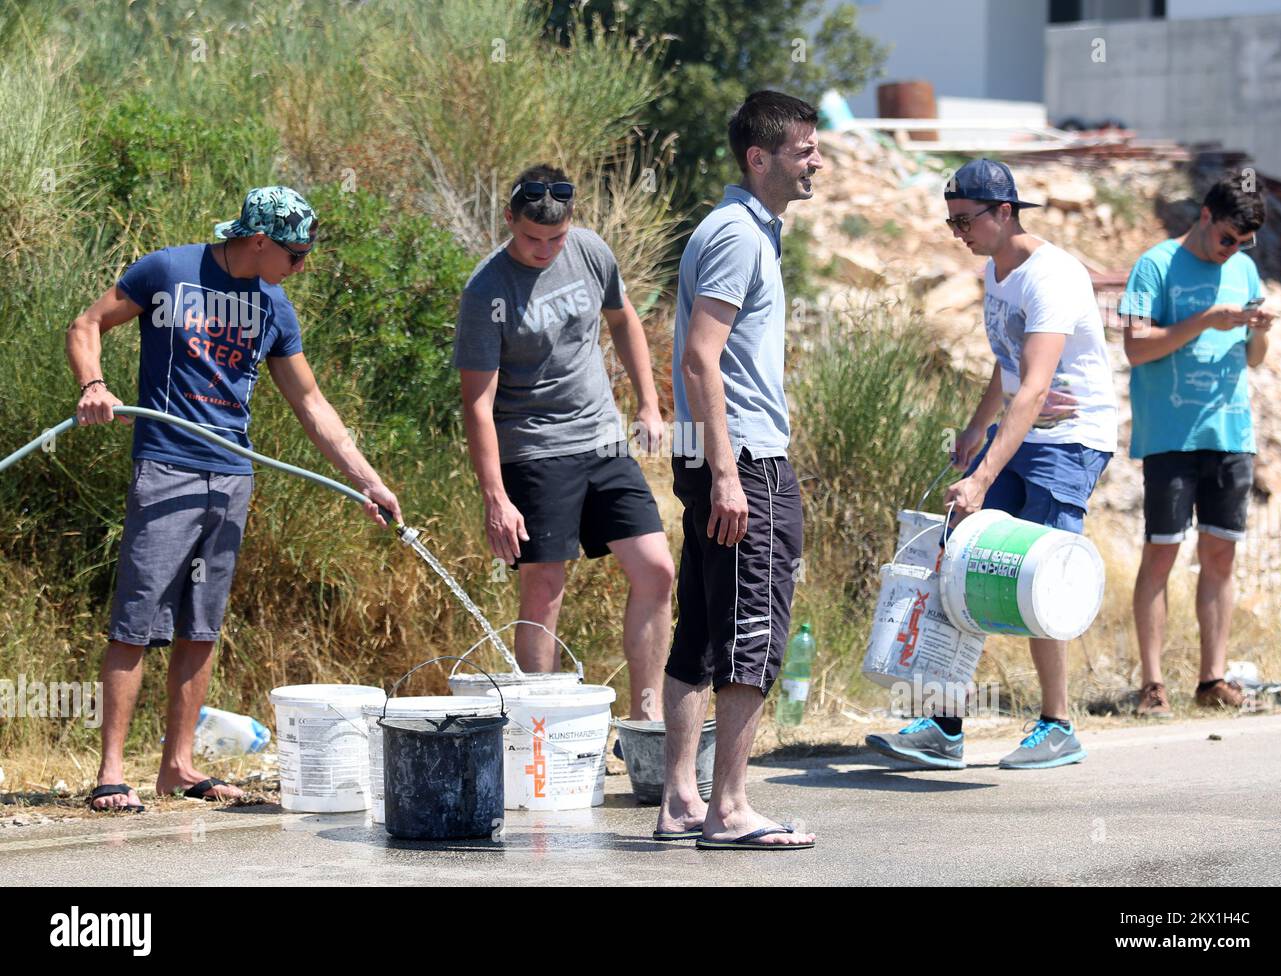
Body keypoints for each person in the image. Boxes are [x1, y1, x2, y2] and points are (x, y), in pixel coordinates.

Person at [68, 186, 403, 811]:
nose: (302, 266)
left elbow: (311, 405)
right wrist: (94, 383)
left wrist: (368, 479)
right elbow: (87, 324)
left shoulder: (275, 307)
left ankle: (177, 765)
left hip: (231, 476)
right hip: (166, 467)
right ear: (257, 241)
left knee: (201, 624)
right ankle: (112, 773)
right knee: (136, 621)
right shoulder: (167, 271)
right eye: (296, 254)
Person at [866, 158, 1117, 771]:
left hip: (1071, 438)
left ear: (1006, 212)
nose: (959, 234)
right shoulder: (995, 271)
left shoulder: (1050, 277)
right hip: (1022, 433)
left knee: (1042, 569)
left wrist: (981, 475)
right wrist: (977, 430)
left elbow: (1032, 389)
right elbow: (1007, 365)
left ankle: (1058, 726)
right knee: (959, 554)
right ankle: (944, 724)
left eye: (966, 221)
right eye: (951, 223)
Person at [655, 91, 821, 850]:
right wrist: (726, 472)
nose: (815, 159)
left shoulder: (747, 230)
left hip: (727, 454)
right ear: (760, 158)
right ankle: (728, 810)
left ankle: (682, 801)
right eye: (803, 150)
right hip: (744, 460)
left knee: (703, 629)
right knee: (752, 630)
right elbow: (698, 358)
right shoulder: (735, 234)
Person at [454, 164, 673, 721]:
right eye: (532, 237)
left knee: (657, 570)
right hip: (533, 445)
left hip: (601, 437)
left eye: (555, 238)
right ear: (509, 220)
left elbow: (623, 321)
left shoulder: (591, 251)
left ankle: (646, 721)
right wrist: (495, 496)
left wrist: (648, 403)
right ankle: (538, 735)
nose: (544, 249)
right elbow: (477, 402)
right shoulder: (486, 290)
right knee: (545, 586)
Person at [1120, 175, 1273, 717]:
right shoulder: (1154, 266)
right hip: (1170, 435)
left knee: (1220, 556)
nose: (1234, 250)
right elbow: (1136, 347)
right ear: (1205, 216)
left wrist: (1257, 331)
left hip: (1231, 434)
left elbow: (1254, 360)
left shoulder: (1245, 269)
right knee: (1161, 553)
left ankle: (1212, 678)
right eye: (1229, 237)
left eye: (1244, 243)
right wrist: (1206, 320)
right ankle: (1152, 684)